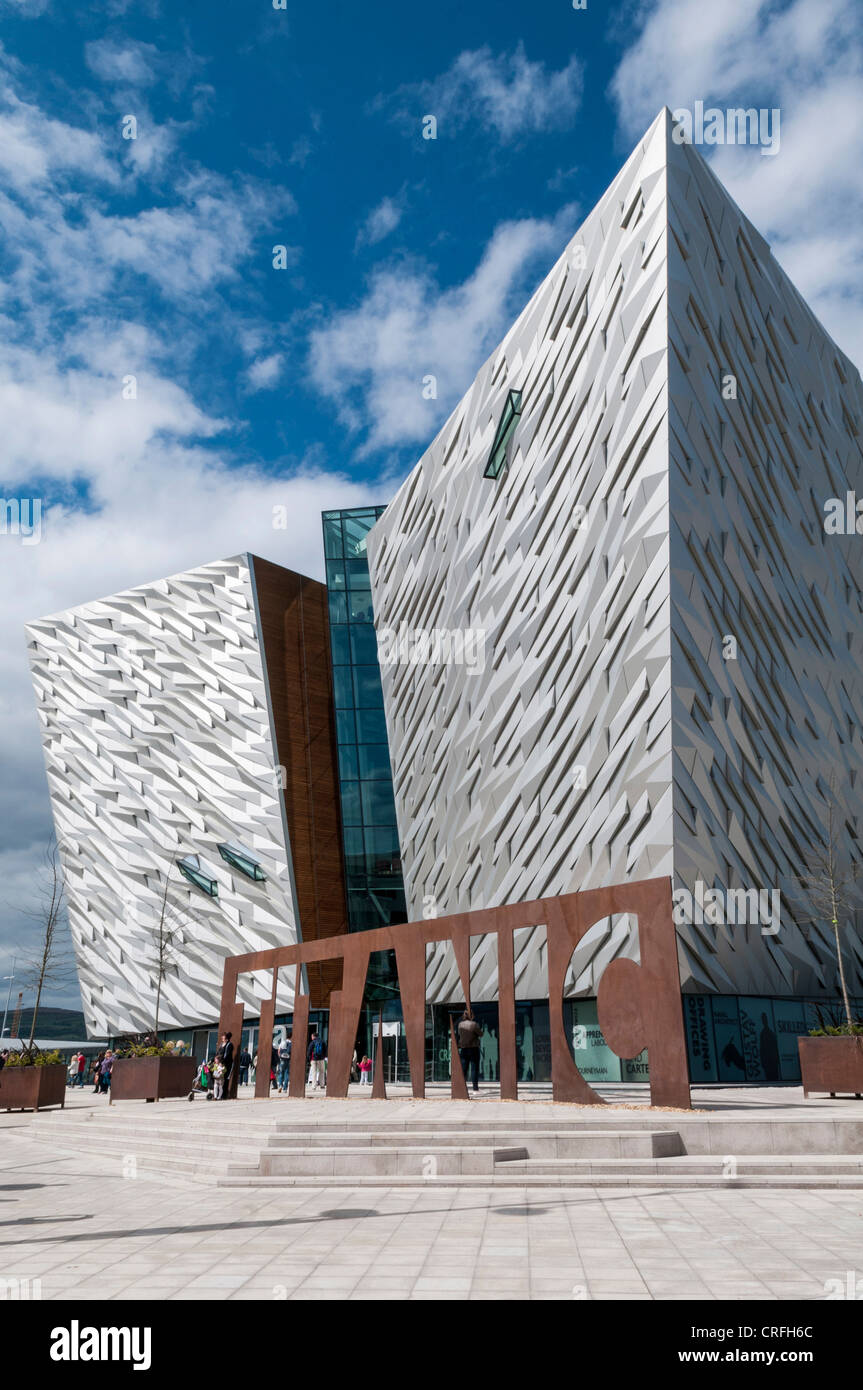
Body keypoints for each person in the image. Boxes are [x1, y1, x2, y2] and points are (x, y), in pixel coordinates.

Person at [457, 1008, 483, 1095]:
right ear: (471, 1015)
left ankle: (462, 1088)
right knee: (474, 1069)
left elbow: (459, 1035)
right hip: (473, 1048)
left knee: (464, 1069)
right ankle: (475, 1089)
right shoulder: (474, 1024)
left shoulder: (460, 1025)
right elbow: (481, 1034)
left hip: (464, 1049)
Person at [215, 1032, 234, 1099]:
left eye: (223, 1037)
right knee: (219, 1078)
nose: (222, 1038)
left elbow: (227, 1055)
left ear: (227, 1038)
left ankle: (224, 1095)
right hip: (220, 1064)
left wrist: (221, 1062)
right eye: (222, 1036)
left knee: (225, 1079)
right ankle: (217, 1095)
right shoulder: (221, 1045)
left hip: (227, 1064)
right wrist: (215, 1060)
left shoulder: (229, 1045)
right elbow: (217, 1053)